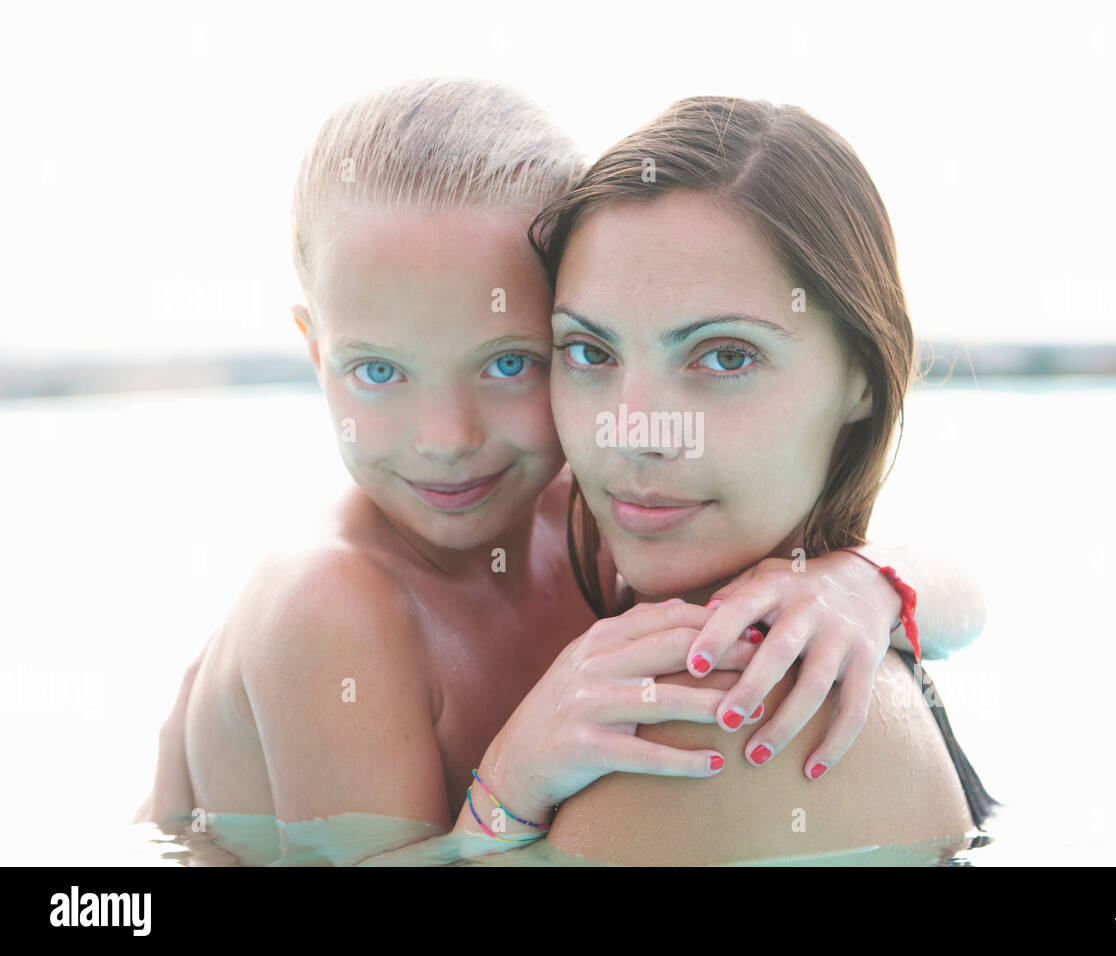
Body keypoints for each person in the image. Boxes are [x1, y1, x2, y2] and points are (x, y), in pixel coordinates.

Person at [133, 78, 987, 866]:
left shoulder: (592, 511)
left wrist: (870, 581)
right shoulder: (329, 602)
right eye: (379, 371)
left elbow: (967, 600)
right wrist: (506, 781)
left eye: (510, 364)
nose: (446, 439)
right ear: (315, 349)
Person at [474, 95, 999, 864]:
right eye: (590, 352)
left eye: (724, 356)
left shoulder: (713, 717)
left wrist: (499, 794)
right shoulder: (833, 612)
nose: (636, 431)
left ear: (863, 373)